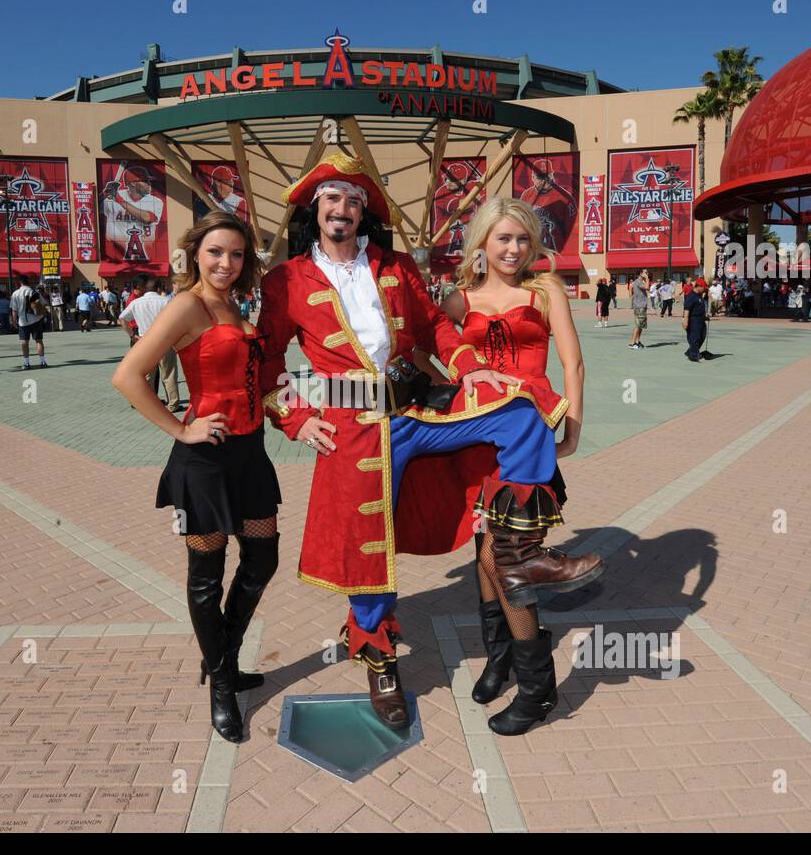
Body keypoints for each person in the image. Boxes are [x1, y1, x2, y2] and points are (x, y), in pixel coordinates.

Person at [257, 155, 603, 732]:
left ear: (364, 211)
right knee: (366, 552)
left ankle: (523, 555)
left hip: (416, 410)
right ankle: (381, 664)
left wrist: (467, 368)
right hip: (349, 426)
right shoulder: (286, 279)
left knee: (518, 412)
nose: (341, 209)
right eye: (331, 200)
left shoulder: (393, 265)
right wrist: (293, 420)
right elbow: (267, 362)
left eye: (351, 200)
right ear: (314, 210)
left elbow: (435, 330)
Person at [113, 211, 280, 743]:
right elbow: (128, 375)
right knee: (206, 576)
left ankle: (222, 660)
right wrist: (180, 431)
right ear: (195, 255)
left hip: (250, 452)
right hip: (204, 459)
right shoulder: (186, 304)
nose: (226, 263)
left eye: (235, 253)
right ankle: (222, 687)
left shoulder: (233, 304)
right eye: (215, 252)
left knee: (263, 557)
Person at [436, 198, 593, 733]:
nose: (514, 249)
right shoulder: (460, 298)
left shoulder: (545, 290)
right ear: (482, 243)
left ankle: (536, 689)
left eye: (523, 239)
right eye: (503, 238)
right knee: (486, 554)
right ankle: (500, 658)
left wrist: (573, 425)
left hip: (527, 434)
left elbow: (573, 361)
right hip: (477, 438)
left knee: (506, 559)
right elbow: (431, 347)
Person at [120, 278, 183, 411]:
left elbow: (122, 318)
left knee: (148, 375)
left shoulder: (136, 303)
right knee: (169, 374)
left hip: (145, 342)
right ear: (158, 289)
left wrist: (132, 335)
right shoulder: (165, 301)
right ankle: (173, 404)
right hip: (165, 341)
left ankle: (148, 404)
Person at [10, 276, 48, 369]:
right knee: (39, 341)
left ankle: (27, 364)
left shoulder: (15, 294)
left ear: (20, 283)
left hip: (22, 321)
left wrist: (14, 322)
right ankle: (42, 362)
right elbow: (44, 304)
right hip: (36, 319)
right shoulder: (34, 292)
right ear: (28, 282)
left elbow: (14, 310)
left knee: (24, 342)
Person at [683, 279, 709, 361]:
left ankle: (690, 351)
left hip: (701, 319)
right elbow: (687, 310)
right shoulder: (691, 296)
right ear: (699, 286)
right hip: (693, 320)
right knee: (695, 338)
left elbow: (698, 308)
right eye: (704, 287)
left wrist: (705, 316)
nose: (705, 289)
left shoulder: (699, 295)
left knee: (702, 336)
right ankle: (693, 355)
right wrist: (686, 322)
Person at [629, 269, 649, 349]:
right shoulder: (638, 281)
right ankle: (632, 343)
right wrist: (647, 278)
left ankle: (637, 341)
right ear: (641, 274)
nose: (647, 274)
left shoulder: (641, 282)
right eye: (646, 273)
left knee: (641, 325)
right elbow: (647, 288)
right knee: (638, 325)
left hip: (642, 305)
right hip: (639, 306)